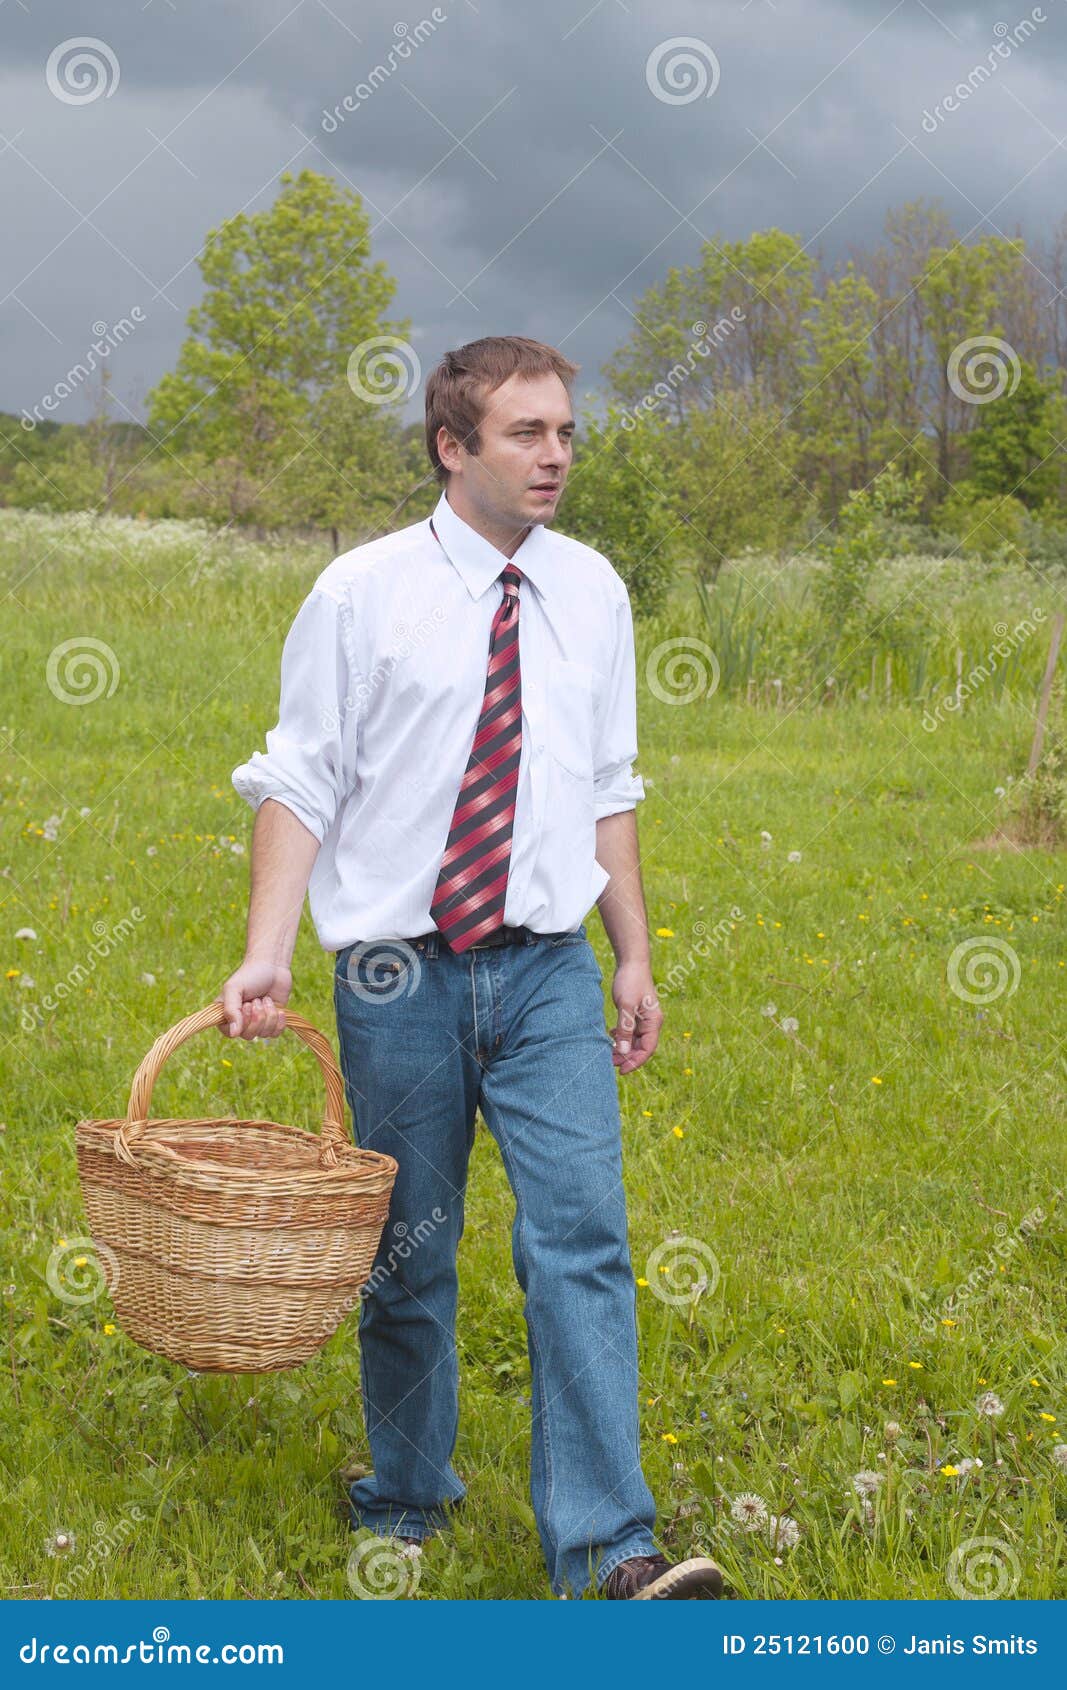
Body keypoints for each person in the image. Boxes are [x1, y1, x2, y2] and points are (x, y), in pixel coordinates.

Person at [220, 334, 723, 1602]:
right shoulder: (359, 593)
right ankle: (405, 1486)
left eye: (564, 432)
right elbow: (299, 779)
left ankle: (611, 1547)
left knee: (582, 1240)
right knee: (409, 1245)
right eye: (525, 433)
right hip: (399, 971)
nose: (554, 455)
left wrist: (634, 954)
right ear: (454, 446)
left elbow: (606, 783)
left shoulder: (593, 591)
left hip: (548, 964)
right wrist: (267, 955)